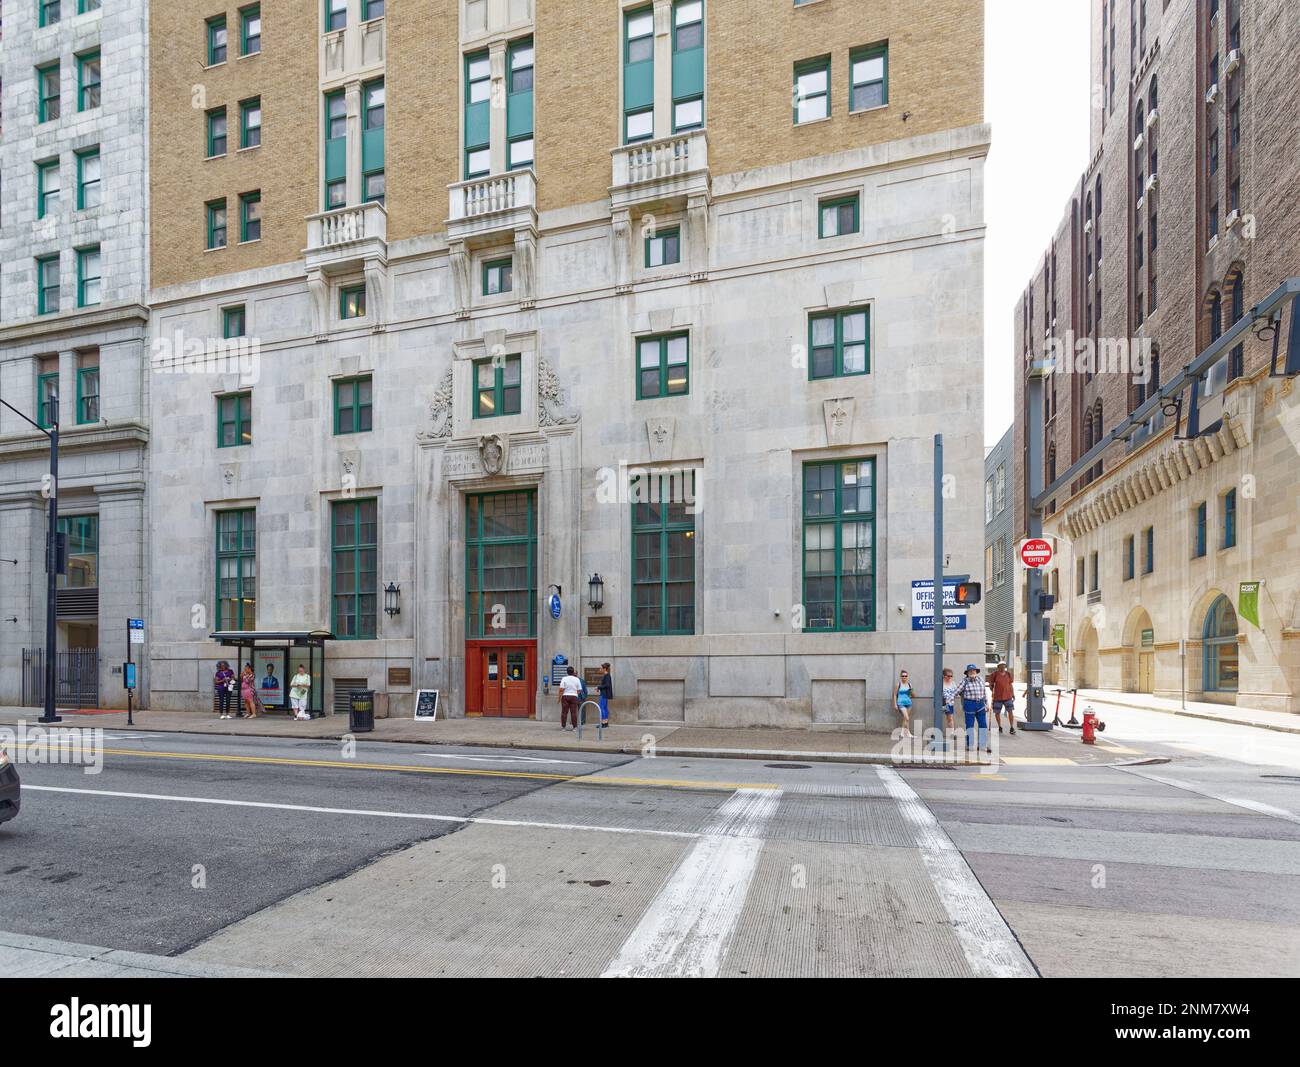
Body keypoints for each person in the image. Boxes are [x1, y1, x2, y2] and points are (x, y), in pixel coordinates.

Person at [958, 663, 990, 753]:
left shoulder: (980, 679)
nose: (972, 672)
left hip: (980, 704)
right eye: (970, 671)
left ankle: (983, 745)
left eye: (974, 670)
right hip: (969, 704)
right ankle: (970, 745)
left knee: (983, 725)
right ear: (967, 673)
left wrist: (987, 704)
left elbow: (984, 692)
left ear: (976, 671)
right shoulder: (964, 681)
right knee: (970, 726)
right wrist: (948, 699)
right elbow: (957, 691)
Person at [988, 660, 1017, 735]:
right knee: (997, 713)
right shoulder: (994, 674)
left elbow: (1010, 684)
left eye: (1004, 666)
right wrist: (992, 688)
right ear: (998, 667)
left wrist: (1013, 694)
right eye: (1001, 666)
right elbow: (990, 684)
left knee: (1010, 711)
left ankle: (1011, 727)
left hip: (1008, 696)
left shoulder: (1008, 674)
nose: (1002, 668)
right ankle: (1000, 726)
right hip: (997, 697)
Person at [892, 669, 914, 738]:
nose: (904, 677)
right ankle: (908, 733)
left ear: (907, 676)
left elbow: (913, 695)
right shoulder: (898, 684)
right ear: (901, 677)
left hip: (909, 703)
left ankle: (902, 733)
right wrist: (895, 704)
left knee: (905, 718)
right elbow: (895, 695)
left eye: (905, 676)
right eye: (903, 676)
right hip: (900, 703)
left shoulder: (909, 685)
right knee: (907, 718)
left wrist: (911, 691)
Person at [941, 668, 958, 735]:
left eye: (951, 676)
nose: (950, 677)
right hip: (942, 703)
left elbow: (956, 692)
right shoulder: (941, 683)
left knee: (950, 718)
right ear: (944, 676)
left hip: (950, 703)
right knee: (938, 717)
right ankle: (937, 732)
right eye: (948, 676)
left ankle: (951, 733)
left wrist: (951, 698)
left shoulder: (953, 683)